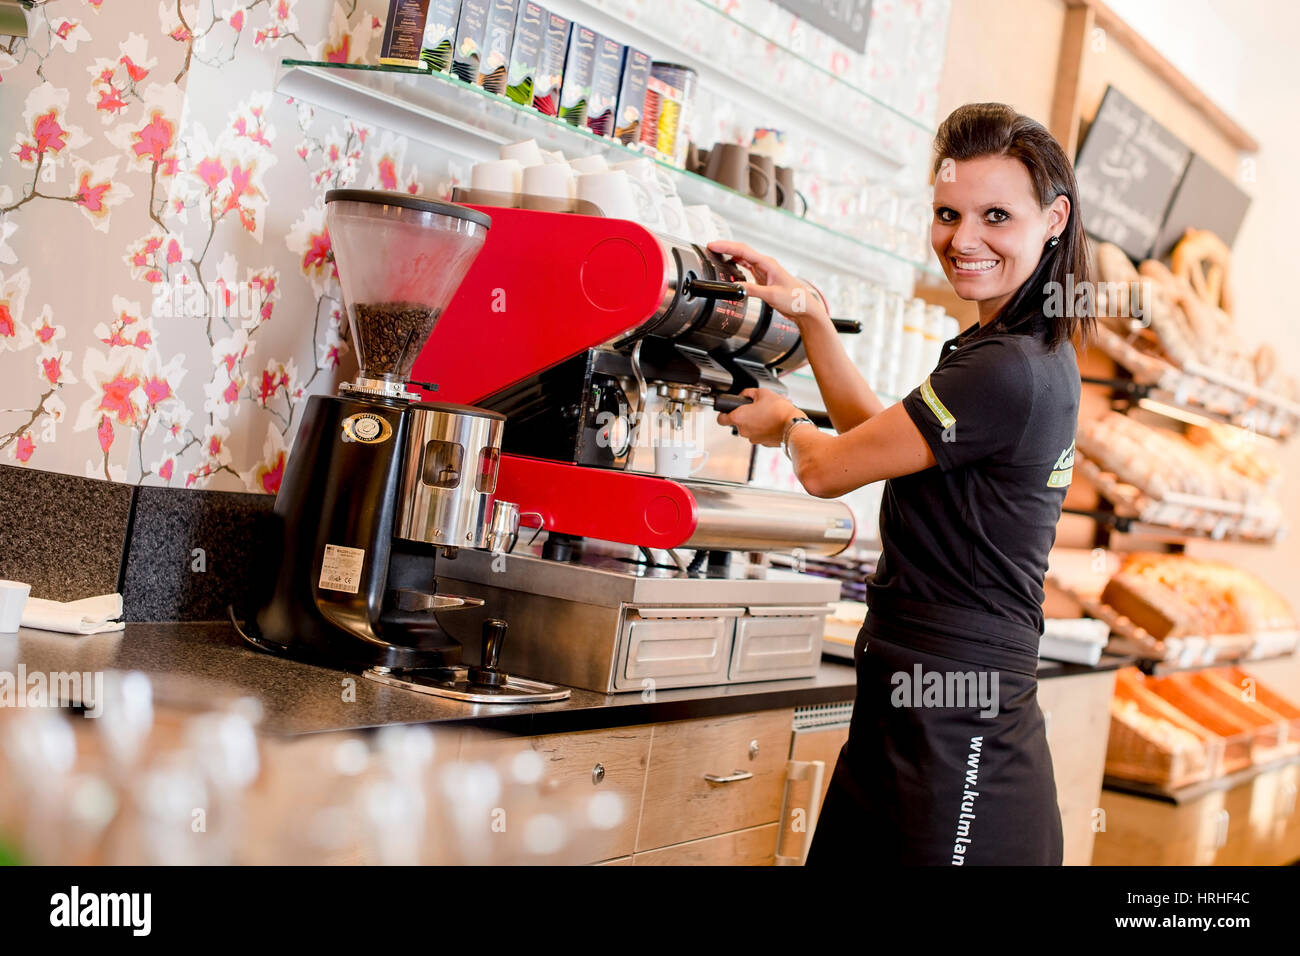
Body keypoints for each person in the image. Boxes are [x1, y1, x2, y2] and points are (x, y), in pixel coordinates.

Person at [710, 102, 1094, 865]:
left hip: (957, 718)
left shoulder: (1006, 366)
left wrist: (787, 426)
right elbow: (888, 439)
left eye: (995, 216)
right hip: (918, 695)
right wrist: (812, 318)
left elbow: (827, 467)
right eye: (948, 213)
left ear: (1053, 220)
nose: (963, 239)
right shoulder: (1012, 346)